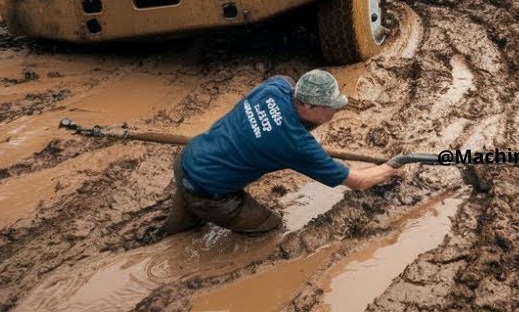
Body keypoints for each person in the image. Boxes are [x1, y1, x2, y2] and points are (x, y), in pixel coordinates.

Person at [162, 69, 402, 237]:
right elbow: (358, 182)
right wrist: (391, 168)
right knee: (270, 228)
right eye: (331, 108)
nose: (335, 112)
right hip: (207, 189)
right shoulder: (296, 145)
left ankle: (174, 233)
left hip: (189, 158)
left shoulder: (275, 86)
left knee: (180, 230)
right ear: (308, 106)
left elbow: (286, 89)